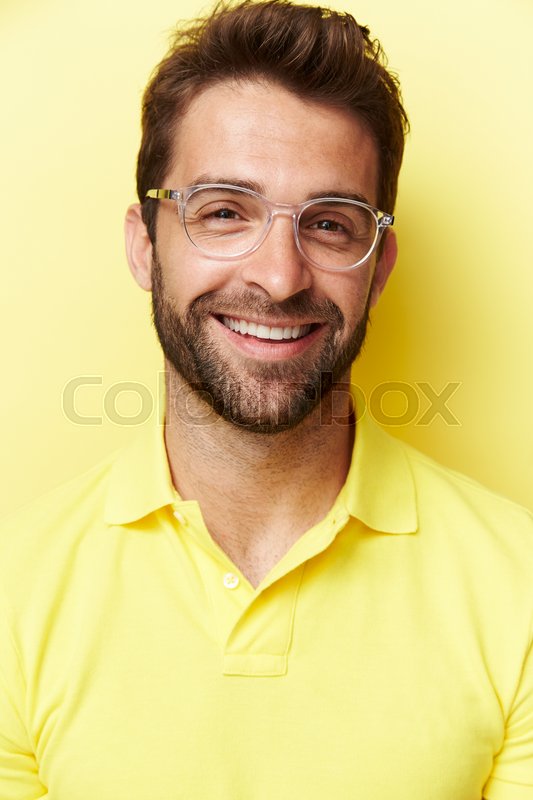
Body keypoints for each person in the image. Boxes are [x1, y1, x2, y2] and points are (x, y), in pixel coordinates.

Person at [0, 1, 532, 797]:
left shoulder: (518, 589)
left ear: (378, 267)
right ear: (145, 247)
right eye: (222, 213)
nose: (278, 277)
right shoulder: (15, 589)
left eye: (328, 224)